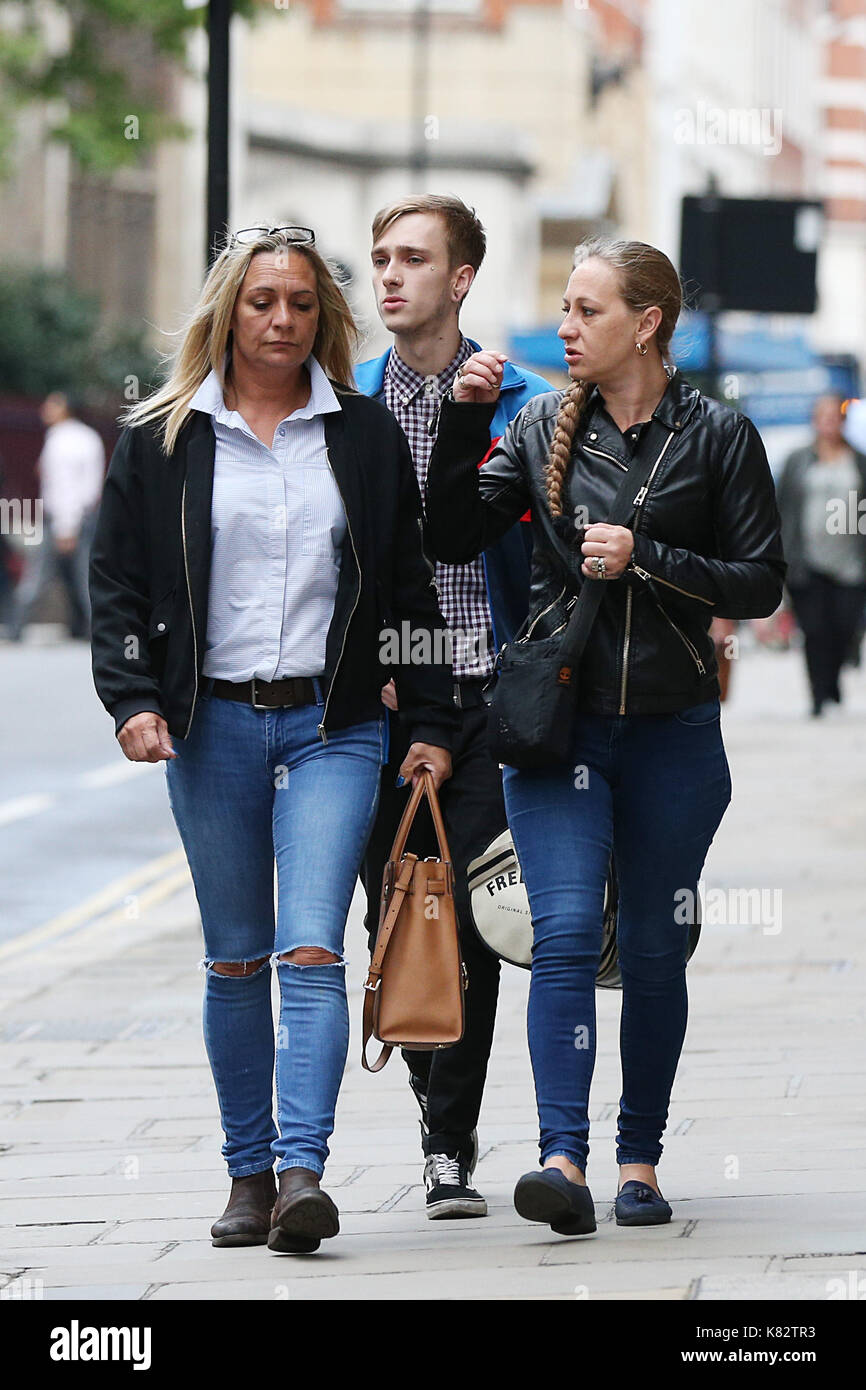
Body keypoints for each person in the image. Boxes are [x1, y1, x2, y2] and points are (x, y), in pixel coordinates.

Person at [89, 225, 455, 1255]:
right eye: (263, 302)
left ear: (322, 318)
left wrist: (427, 721)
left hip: (332, 725)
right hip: (209, 729)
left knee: (310, 948)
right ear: (227, 311)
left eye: (301, 303)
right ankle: (245, 1174)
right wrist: (131, 698)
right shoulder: (162, 437)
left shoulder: (362, 436)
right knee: (235, 961)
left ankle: (302, 1173)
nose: (283, 320)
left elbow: (409, 589)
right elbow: (115, 581)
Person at [425, 236, 785, 1234]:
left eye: (585, 310)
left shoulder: (718, 437)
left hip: (671, 732)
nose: (565, 328)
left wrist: (648, 557)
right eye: (564, 309)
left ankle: (638, 1158)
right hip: (559, 730)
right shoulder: (538, 421)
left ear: (645, 323)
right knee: (565, 935)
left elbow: (759, 580)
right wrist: (463, 423)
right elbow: (448, 534)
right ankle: (560, 1160)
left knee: (655, 946)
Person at [355, 194, 554, 1219]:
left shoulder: (525, 400)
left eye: (413, 259)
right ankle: (437, 1110)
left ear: (461, 277)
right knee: (391, 910)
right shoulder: (341, 403)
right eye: (379, 258)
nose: (389, 276)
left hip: (490, 694)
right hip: (379, 703)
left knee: (471, 915)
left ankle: (448, 1144)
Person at [776, 395, 866, 716]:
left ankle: (833, 681)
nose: (828, 423)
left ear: (842, 421)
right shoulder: (797, 460)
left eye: (834, 417)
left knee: (844, 628)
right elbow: (781, 508)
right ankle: (818, 695)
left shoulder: (858, 461)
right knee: (814, 630)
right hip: (806, 562)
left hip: (851, 563)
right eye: (822, 416)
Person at [9, 392, 104, 641]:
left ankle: (16, 627)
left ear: (67, 409)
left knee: (45, 575)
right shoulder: (85, 437)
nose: (46, 408)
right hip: (78, 517)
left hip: (66, 519)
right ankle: (90, 629)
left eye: (53, 403)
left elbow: (68, 487)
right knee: (80, 576)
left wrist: (66, 526)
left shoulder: (64, 440)